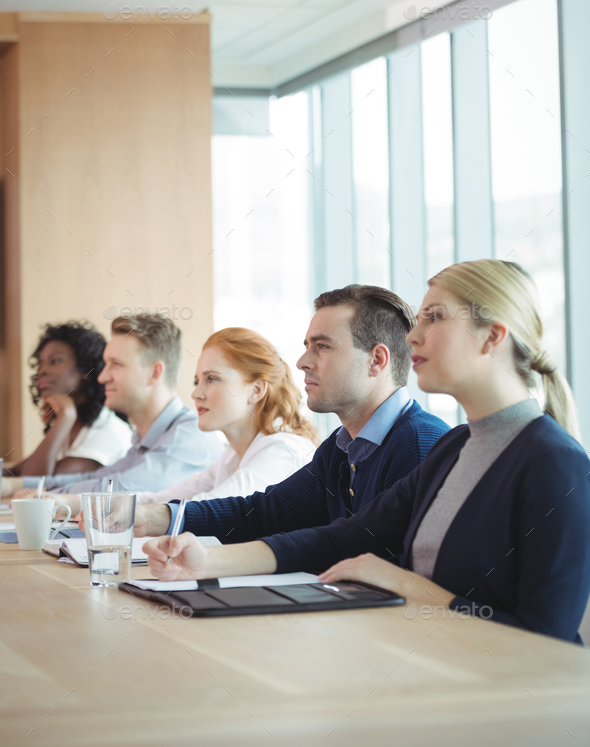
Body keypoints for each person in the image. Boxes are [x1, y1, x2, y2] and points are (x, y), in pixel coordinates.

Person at [143, 260, 590, 643]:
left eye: (434, 317)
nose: (412, 338)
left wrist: (403, 583)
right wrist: (207, 560)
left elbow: (543, 641)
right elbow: (344, 537)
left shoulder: (555, 463)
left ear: (491, 337)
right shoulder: (456, 447)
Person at [134, 284, 450, 539]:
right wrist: (158, 517)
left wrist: (216, 559)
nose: (301, 361)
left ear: (377, 360)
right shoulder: (338, 449)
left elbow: (371, 556)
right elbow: (265, 512)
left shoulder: (420, 444)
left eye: (322, 346)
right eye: (306, 345)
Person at [5, 314, 222, 513]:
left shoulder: (189, 435)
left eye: (116, 364)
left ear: (154, 373)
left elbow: (122, 491)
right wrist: (16, 484)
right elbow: (97, 479)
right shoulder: (143, 439)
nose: (102, 377)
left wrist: (55, 498)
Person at [134, 327, 317, 504]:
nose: (195, 394)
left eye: (211, 379)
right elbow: (161, 501)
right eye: (196, 381)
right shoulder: (231, 456)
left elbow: (206, 510)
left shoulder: (283, 452)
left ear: (256, 390)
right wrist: (116, 505)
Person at [6, 322, 132, 476]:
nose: (42, 371)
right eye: (40, 364)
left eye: (55, 361)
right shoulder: (73, 425)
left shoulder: (108, 430)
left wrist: (65, 417)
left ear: (85, 369)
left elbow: (37, 485)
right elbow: (16, 471)